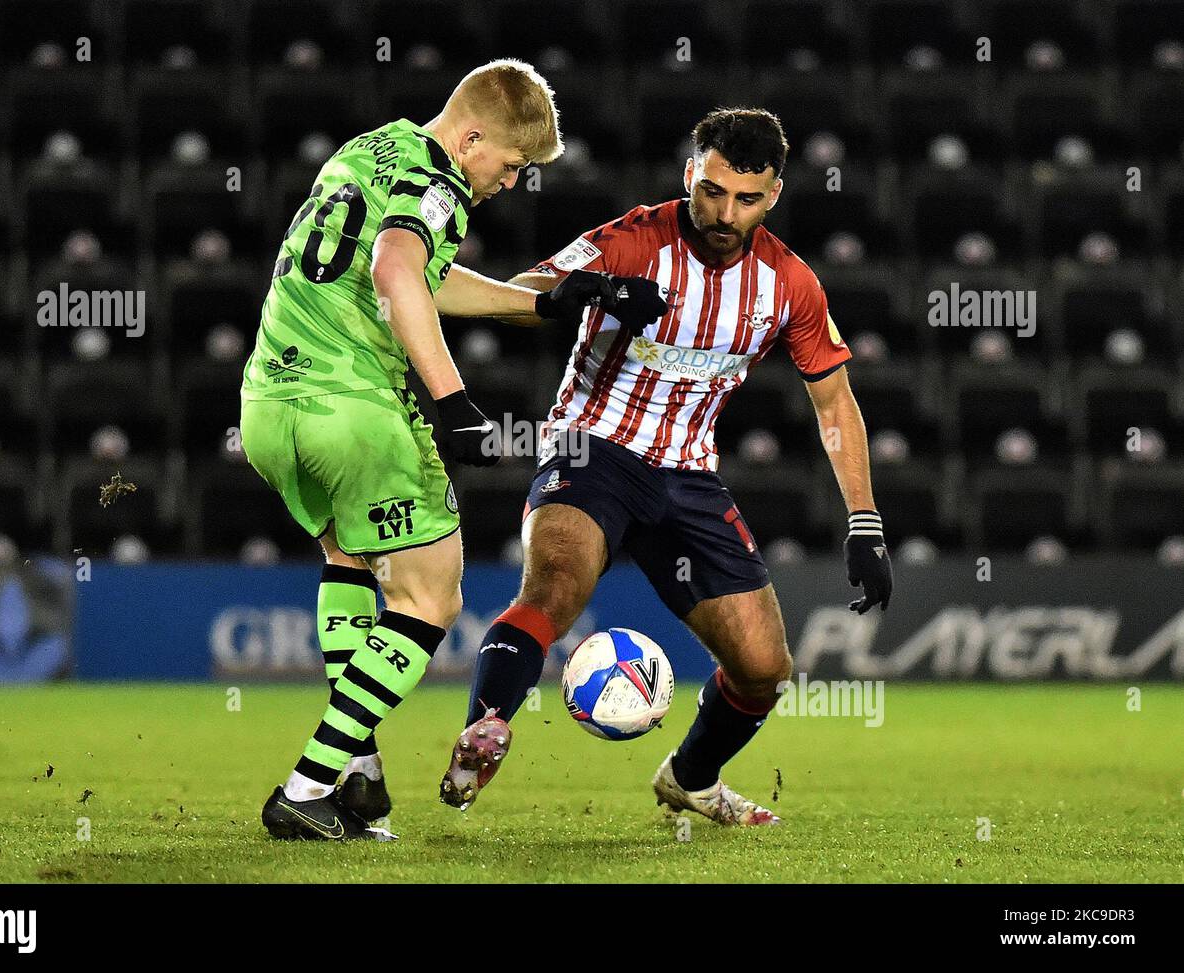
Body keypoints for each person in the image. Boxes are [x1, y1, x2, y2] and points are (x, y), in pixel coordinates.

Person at [439, 107, 895, 826]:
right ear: (691, 174)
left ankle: (689, 777)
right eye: (712, 190)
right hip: (593, 450)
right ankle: (486, 726)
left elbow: (835, 404)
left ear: (773, 196)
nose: (725, 211)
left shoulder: (790, 284)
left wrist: (865, 523)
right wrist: (579, 293)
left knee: (765, 668)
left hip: (686, 474)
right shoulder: (633, 241)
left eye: (747, 199)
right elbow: (516, 295)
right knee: (556, 586)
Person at [241, 59, 656, 840]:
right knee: (430, 598)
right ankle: (306, 786)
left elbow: (418, 276)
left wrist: (547, 302)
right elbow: (398, 269)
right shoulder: (441, 182)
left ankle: (357, 776)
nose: (510, 180)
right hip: (353, 410)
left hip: (270, 407)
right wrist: (453, 399)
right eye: (510, 163)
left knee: (351, 562)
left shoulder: (370, 151)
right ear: (470, 138)